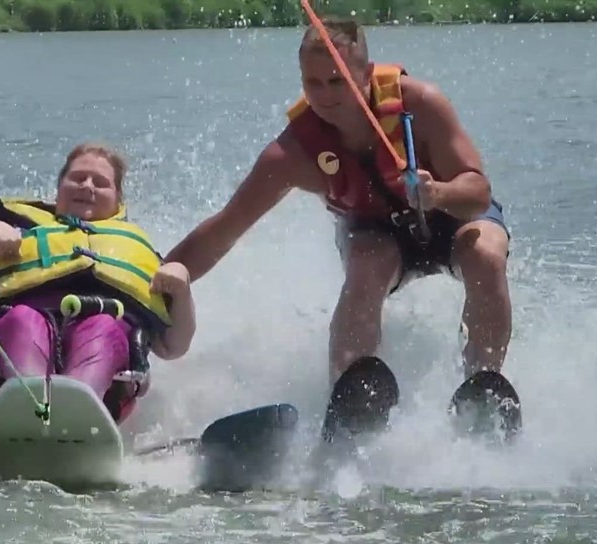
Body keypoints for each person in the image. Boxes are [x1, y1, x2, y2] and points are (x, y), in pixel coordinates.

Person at [164, 19, 512, 387]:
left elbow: (477, 193)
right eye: (312, 83)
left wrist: (437, 193)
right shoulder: (291, 154)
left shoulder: (422, 104)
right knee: (367, 268)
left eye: (337, 81)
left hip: (451, 212)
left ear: (366, 75)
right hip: (375, 234)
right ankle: (348, 400)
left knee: (486, 255)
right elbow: (226, 228)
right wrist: (160, 277)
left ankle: (483, 385)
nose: (325, 96)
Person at [0, 142, 196, 425]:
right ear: (58, 189)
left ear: (119, 200)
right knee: (23, 320)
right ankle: (29, 405)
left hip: (106, 370)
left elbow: (173, 346)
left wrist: (182, 288)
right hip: (6, 352)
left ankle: (76, 413)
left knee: (103, 327)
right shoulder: (14, 229)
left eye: (100, 182)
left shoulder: (140, 250)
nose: (87, 186)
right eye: (77, 178)